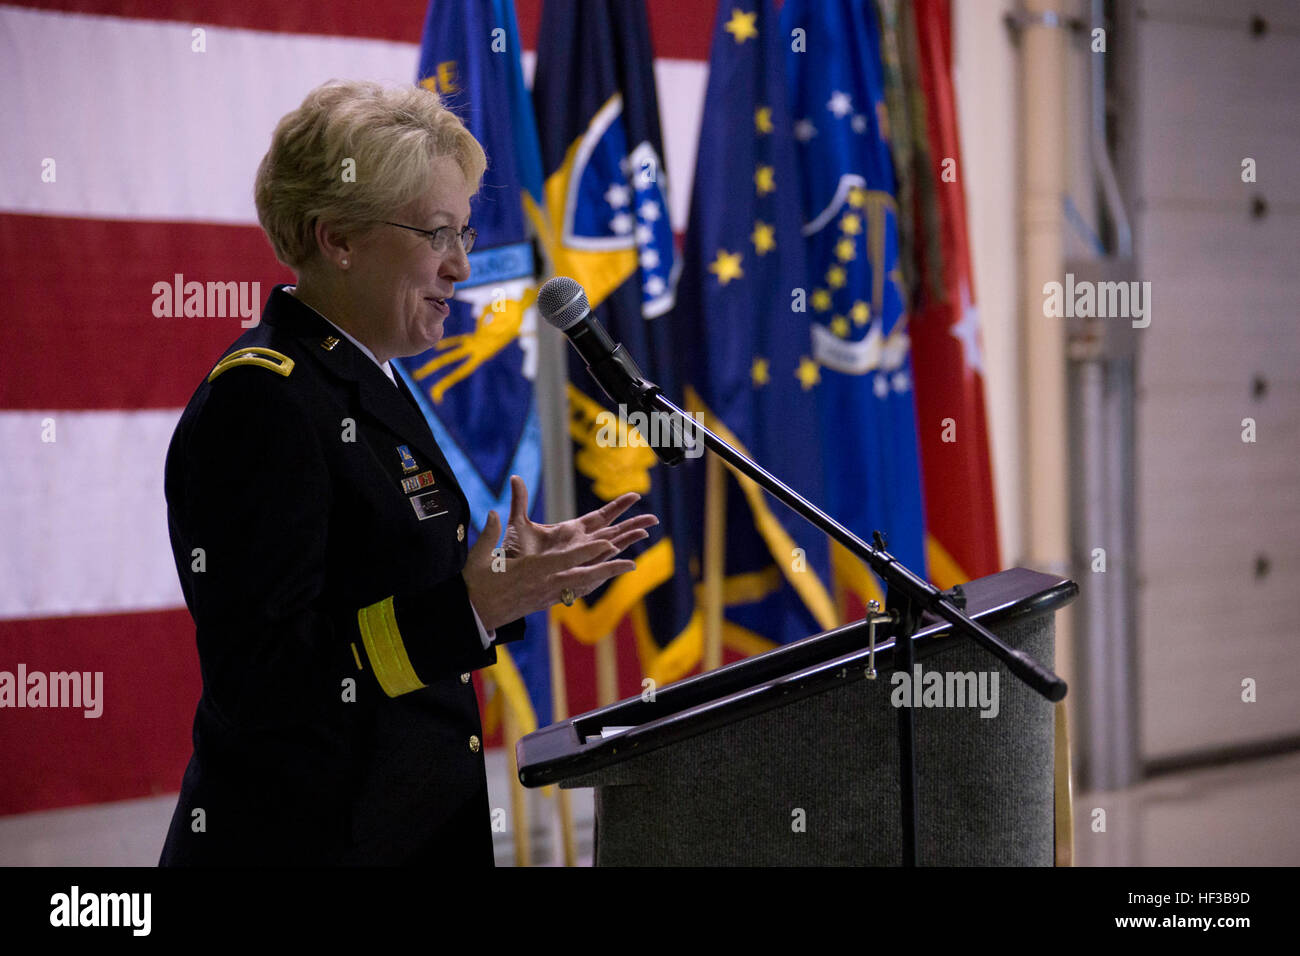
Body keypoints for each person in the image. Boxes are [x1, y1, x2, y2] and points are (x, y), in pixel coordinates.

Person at [159, 79, 654, 866]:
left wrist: (506, 579)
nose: (460, 266)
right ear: (338, 239)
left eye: (464, 231)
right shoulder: (263, 401)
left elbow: (385, 580)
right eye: (435, 234)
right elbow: (260, 679)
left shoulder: (366, 375)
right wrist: (468, 608)